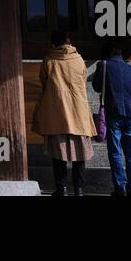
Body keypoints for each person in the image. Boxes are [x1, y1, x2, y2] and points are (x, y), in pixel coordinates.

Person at [32, 27, 95, 196]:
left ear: (53, 43)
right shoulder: (79, 60)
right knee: (80, 154)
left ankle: (61, 188)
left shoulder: (48, 61)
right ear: (68, 42)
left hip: (57, 112)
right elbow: (83, 79)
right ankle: (79, 189)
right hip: (78, 112)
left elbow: (43, 83)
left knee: (58, 154)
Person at [95, 40, 131, 195]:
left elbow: (96, 86)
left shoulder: (104, 65)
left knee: (115, 151)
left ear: (107, 53)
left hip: (113, 113)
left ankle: (120, 187)